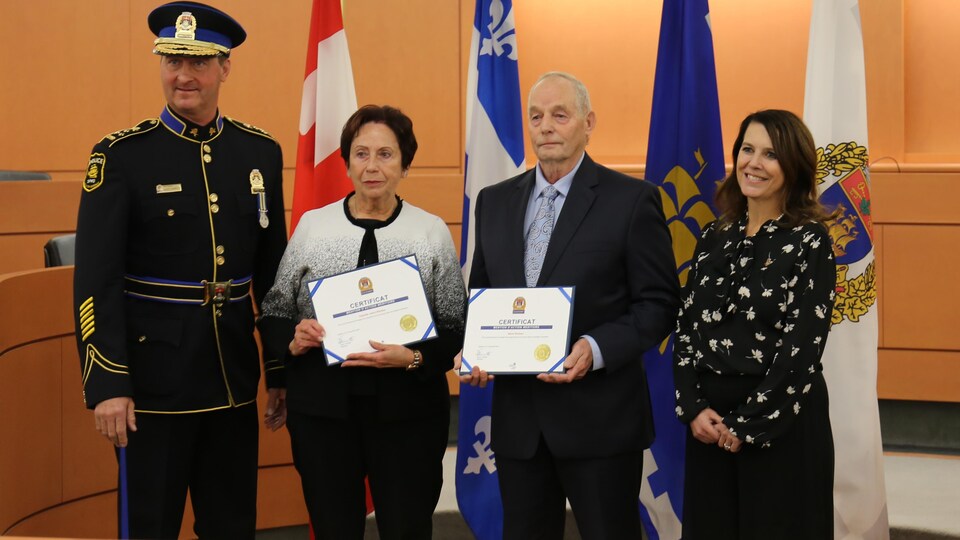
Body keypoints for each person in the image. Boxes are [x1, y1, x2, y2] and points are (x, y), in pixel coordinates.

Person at [72, 2, 287, 538]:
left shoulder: (259, 153)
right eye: (171, 60)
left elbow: (274, 276)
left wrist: (279, 369)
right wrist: (107, 381)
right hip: (151, 389)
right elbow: (95, 280)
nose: (182, 75)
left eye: (198, 63)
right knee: (150, 527)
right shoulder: (120, 157)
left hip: (232, 379)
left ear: (224, 67)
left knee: (233, 525)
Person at [462, 72, 680, 539]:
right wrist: (474, 347)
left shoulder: (631, 201)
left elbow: (659, 304)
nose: (546, 127)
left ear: (588, 122)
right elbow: (482, 297)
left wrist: (595, 347)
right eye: (536, 117)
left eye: (560, 115)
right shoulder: (495, 202)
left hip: (600, 422)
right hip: (521, 427)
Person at [257, 105, 466, 540]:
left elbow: (454, 325)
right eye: (361, 153)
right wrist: (294, 341)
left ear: (405, 164)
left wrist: (412, 357)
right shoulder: (314, 227)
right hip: (323, 414)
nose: (372, 166)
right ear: (347, 162)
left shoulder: (428, 232)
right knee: (334, 530)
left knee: (407, 529)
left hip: (408, 415)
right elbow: (275, 310)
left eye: (386, 154)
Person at [673, 109, 837, 539]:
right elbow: (687, 329)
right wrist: (692, 408)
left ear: (794, 165)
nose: (754, 163)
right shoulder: (714, 235)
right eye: (747, 149)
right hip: (709, 424)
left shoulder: (810, 239)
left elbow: (801, 349)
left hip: (782, 425)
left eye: (770, 154)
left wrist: (747, 424)